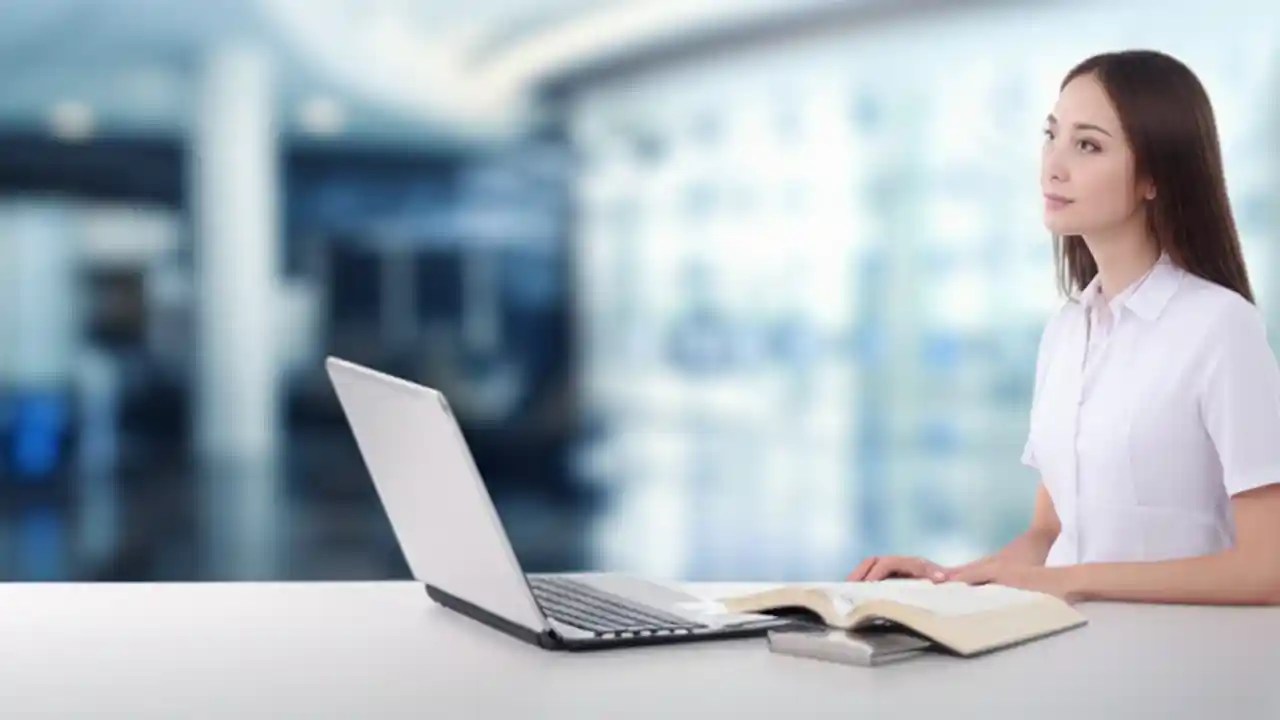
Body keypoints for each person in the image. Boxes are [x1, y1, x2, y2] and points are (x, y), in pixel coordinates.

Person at [847, 50, 1280, 605]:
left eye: (1088, 145)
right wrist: (941, 583)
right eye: (1051, 136)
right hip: (1067, 653)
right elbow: (1047, 537)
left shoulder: (1220, 328)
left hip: (1179, 669)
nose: (1053, 165)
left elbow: (1268, 568)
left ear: (1153, 177)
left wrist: (1074, 579)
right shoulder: (1066, 331)